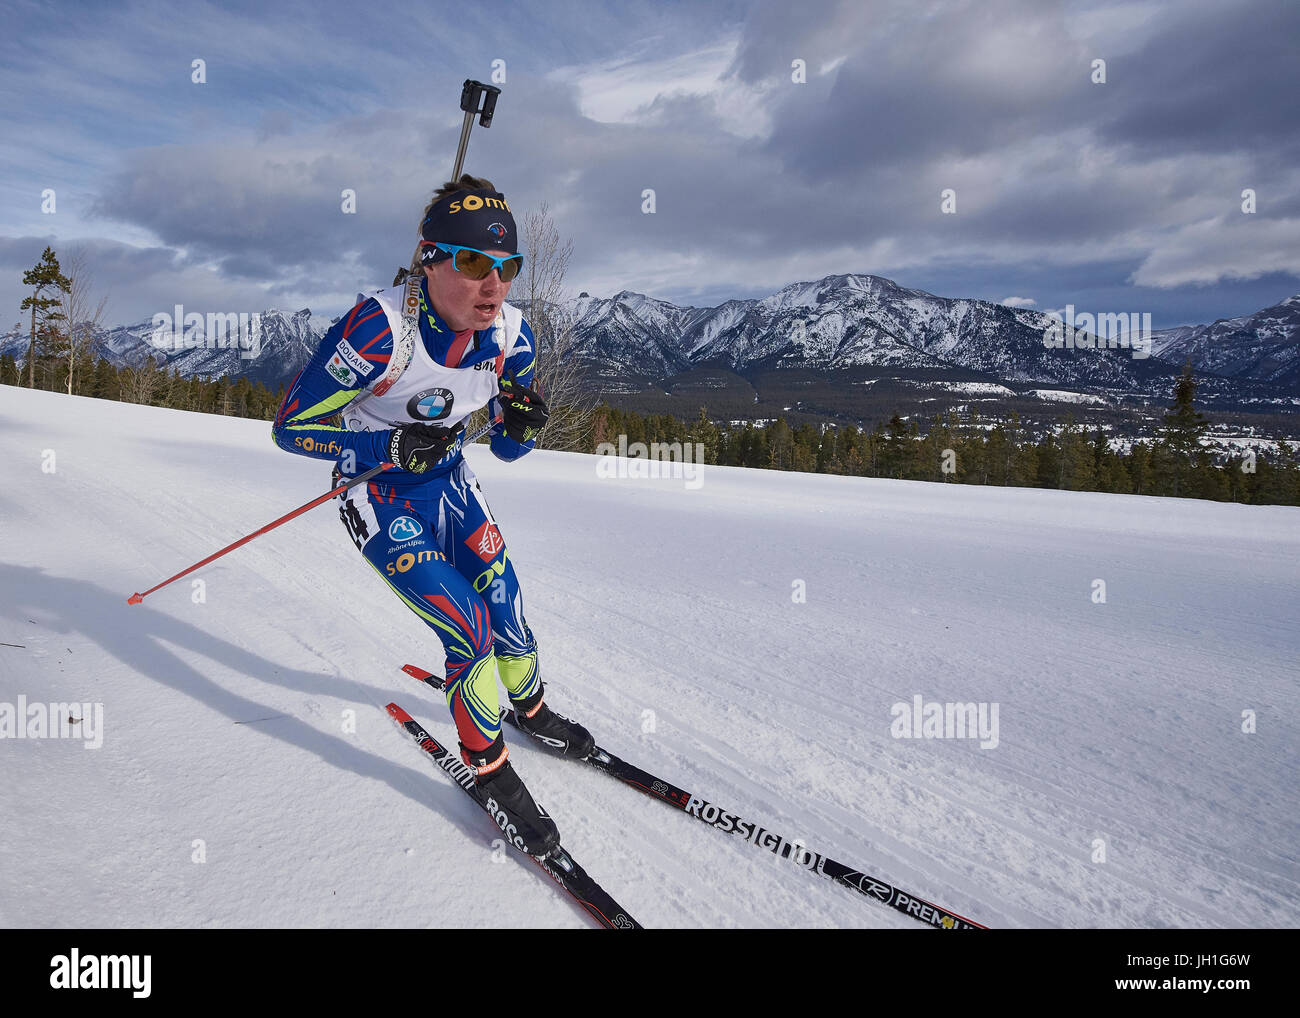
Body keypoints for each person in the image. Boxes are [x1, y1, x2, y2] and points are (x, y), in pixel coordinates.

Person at [271, 174, 591, 856]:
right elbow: (291, 428)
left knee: (504, 598)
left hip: (448, 482)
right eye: (473, 263)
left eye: (508, 268)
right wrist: (384, 443)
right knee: (469, 628)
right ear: (429, 258)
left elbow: (504, 448)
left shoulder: (511, 335)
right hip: (377, 493)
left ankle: (531, 708)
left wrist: (525, 426)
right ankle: (491, 770)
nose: (493, 286)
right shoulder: (378, 330)